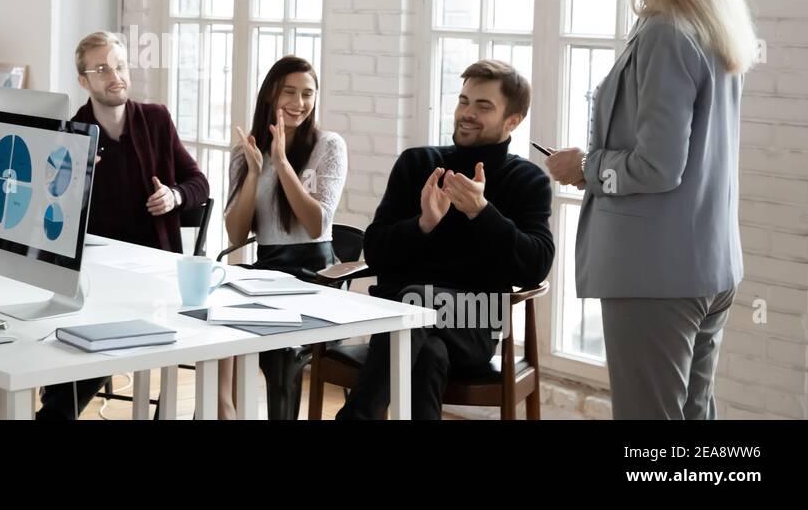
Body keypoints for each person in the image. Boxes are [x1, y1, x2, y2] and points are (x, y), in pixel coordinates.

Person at [545, 0, 755, 420]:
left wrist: (585, 168)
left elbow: (658, 166)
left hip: (655, 274)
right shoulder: (714, 27)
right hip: (710, 265)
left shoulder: (666, 34)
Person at [336, 60, 553, 420]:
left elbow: (536, 265)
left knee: (417, 300)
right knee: (430, 351)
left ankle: (359, 414)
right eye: (463, 101)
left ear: (511, 121)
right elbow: (374, 250)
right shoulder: (417, 163)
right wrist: (422, 224)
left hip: (474, 322)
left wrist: (483, 213)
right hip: (401, 321)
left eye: (483, 106)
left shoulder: (528, 180)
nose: (467, 113)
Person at [36, 30, 209, 420]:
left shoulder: (155, 119)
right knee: (88, 342)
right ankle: (55, 412)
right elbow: (50, 215)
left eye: (120, 66)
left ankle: (55, 411)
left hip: (155, 274)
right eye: (102, 69)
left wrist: (175, 196)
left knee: (94, 344)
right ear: (84, 81)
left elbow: (198, 182)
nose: (115, 76)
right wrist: (72, 181)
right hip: (97, 276)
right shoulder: (72, 132)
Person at [219, 55, 347, 418]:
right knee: (210, 319)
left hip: (314, 276)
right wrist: (255, 172)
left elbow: (316, 225)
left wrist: (285, 164)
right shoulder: (246, 153)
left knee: (263, 344)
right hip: (267, 272)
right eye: (289, 92)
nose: (299, 102)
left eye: (308, 93)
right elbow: (236, 232)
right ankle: (225, 409)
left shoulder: (329, 146)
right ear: (270, 95)